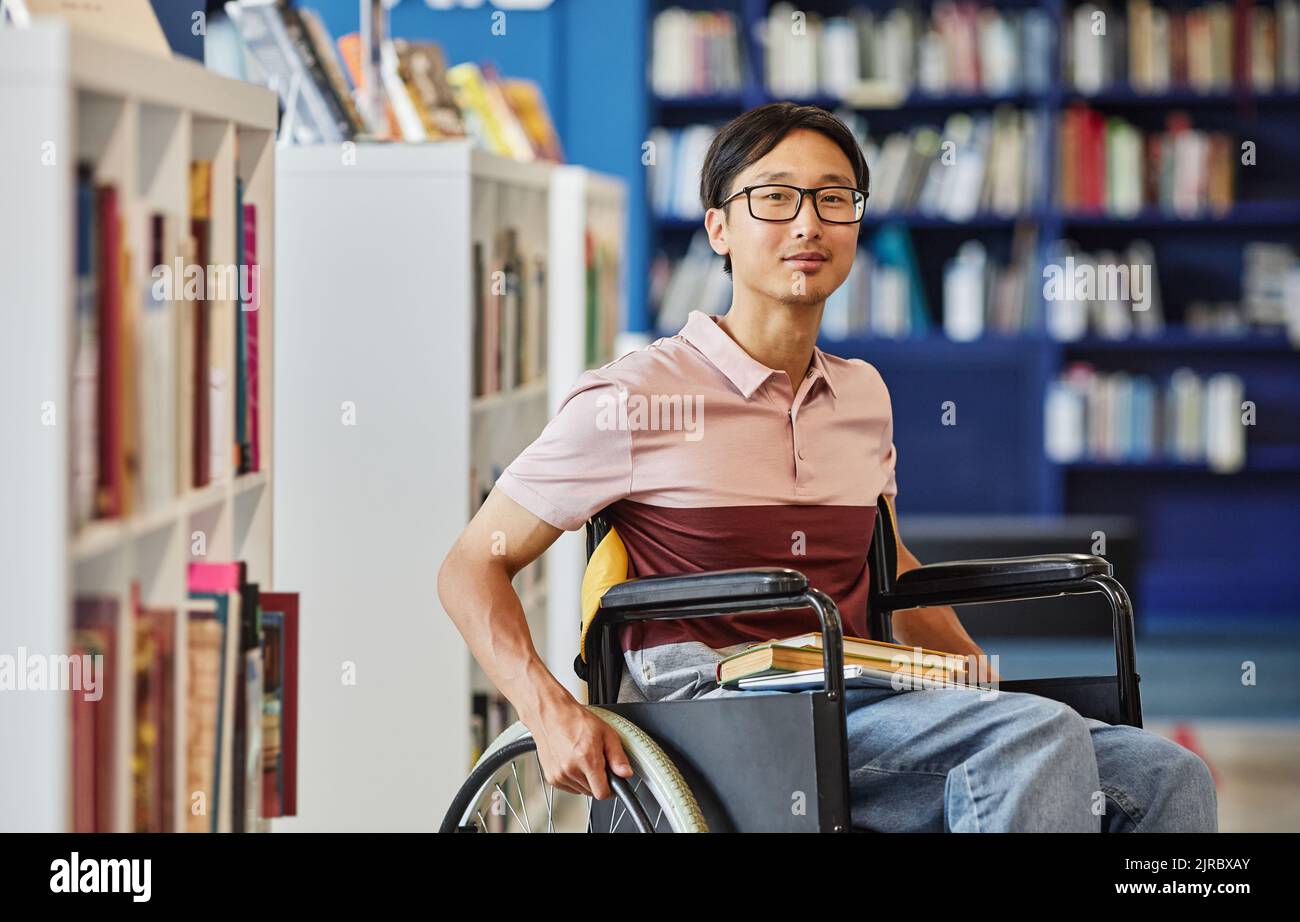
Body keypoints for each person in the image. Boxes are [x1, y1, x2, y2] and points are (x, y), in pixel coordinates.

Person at [437, 102, 1218, 832]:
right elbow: (470, 568)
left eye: (834, 199)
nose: (808, 223)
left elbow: (887, 563)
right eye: (774, 198)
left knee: (1168, 776)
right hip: (723, 721)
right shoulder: (634, 398)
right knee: (1027, 740)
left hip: (860, 691)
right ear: (718, 227)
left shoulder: (861, 394)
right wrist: (546, 708)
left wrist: (973, 675)